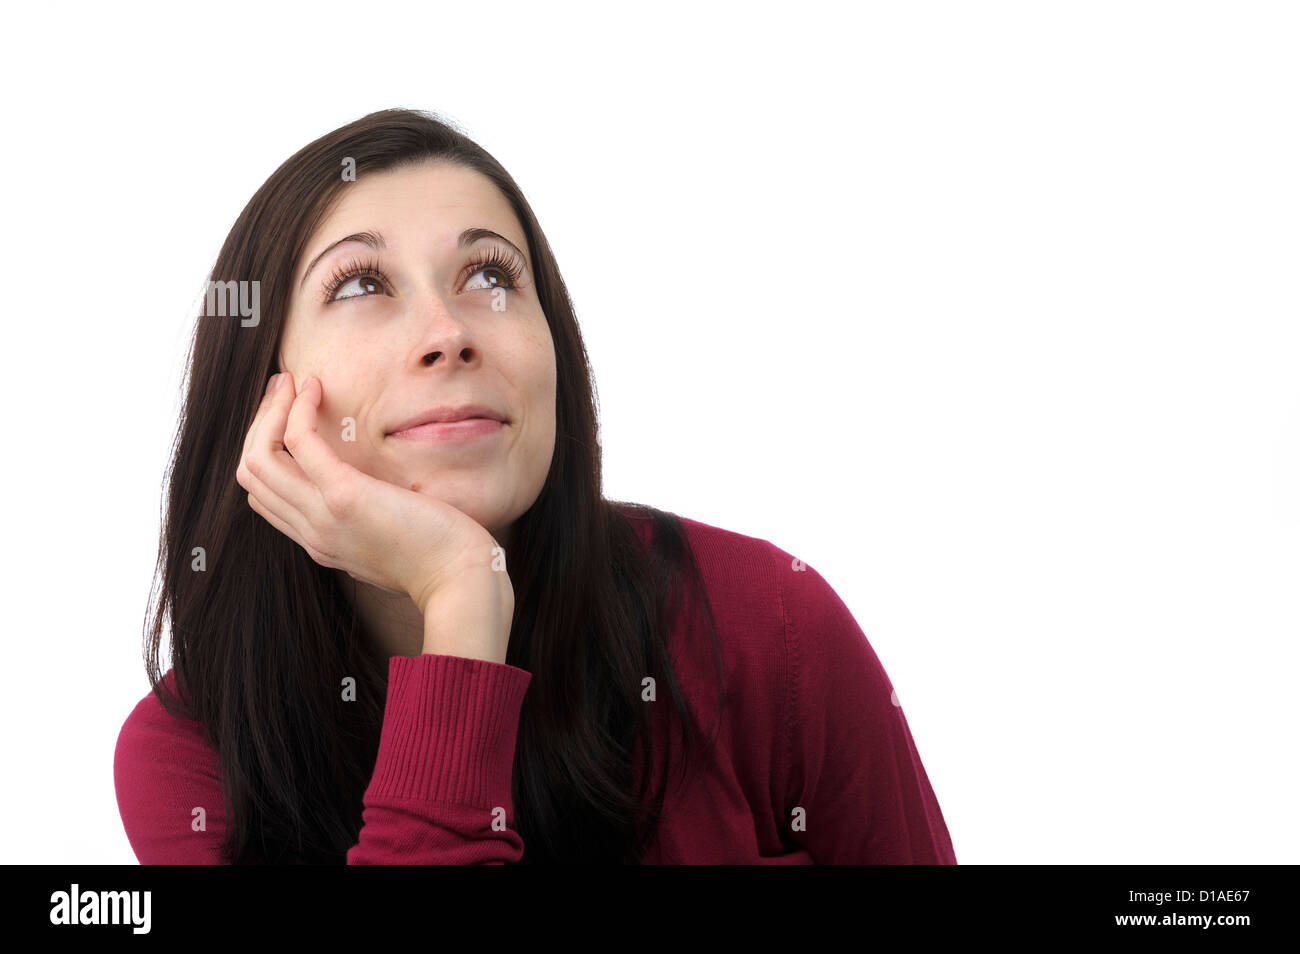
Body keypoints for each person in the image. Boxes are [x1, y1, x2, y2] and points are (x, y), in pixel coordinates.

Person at [113, 107, 957, 864]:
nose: (448, 334)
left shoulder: (769, 623)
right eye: (363, 285)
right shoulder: (189, 758)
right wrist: (458, 596)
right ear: (263, 392)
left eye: (490, 278)